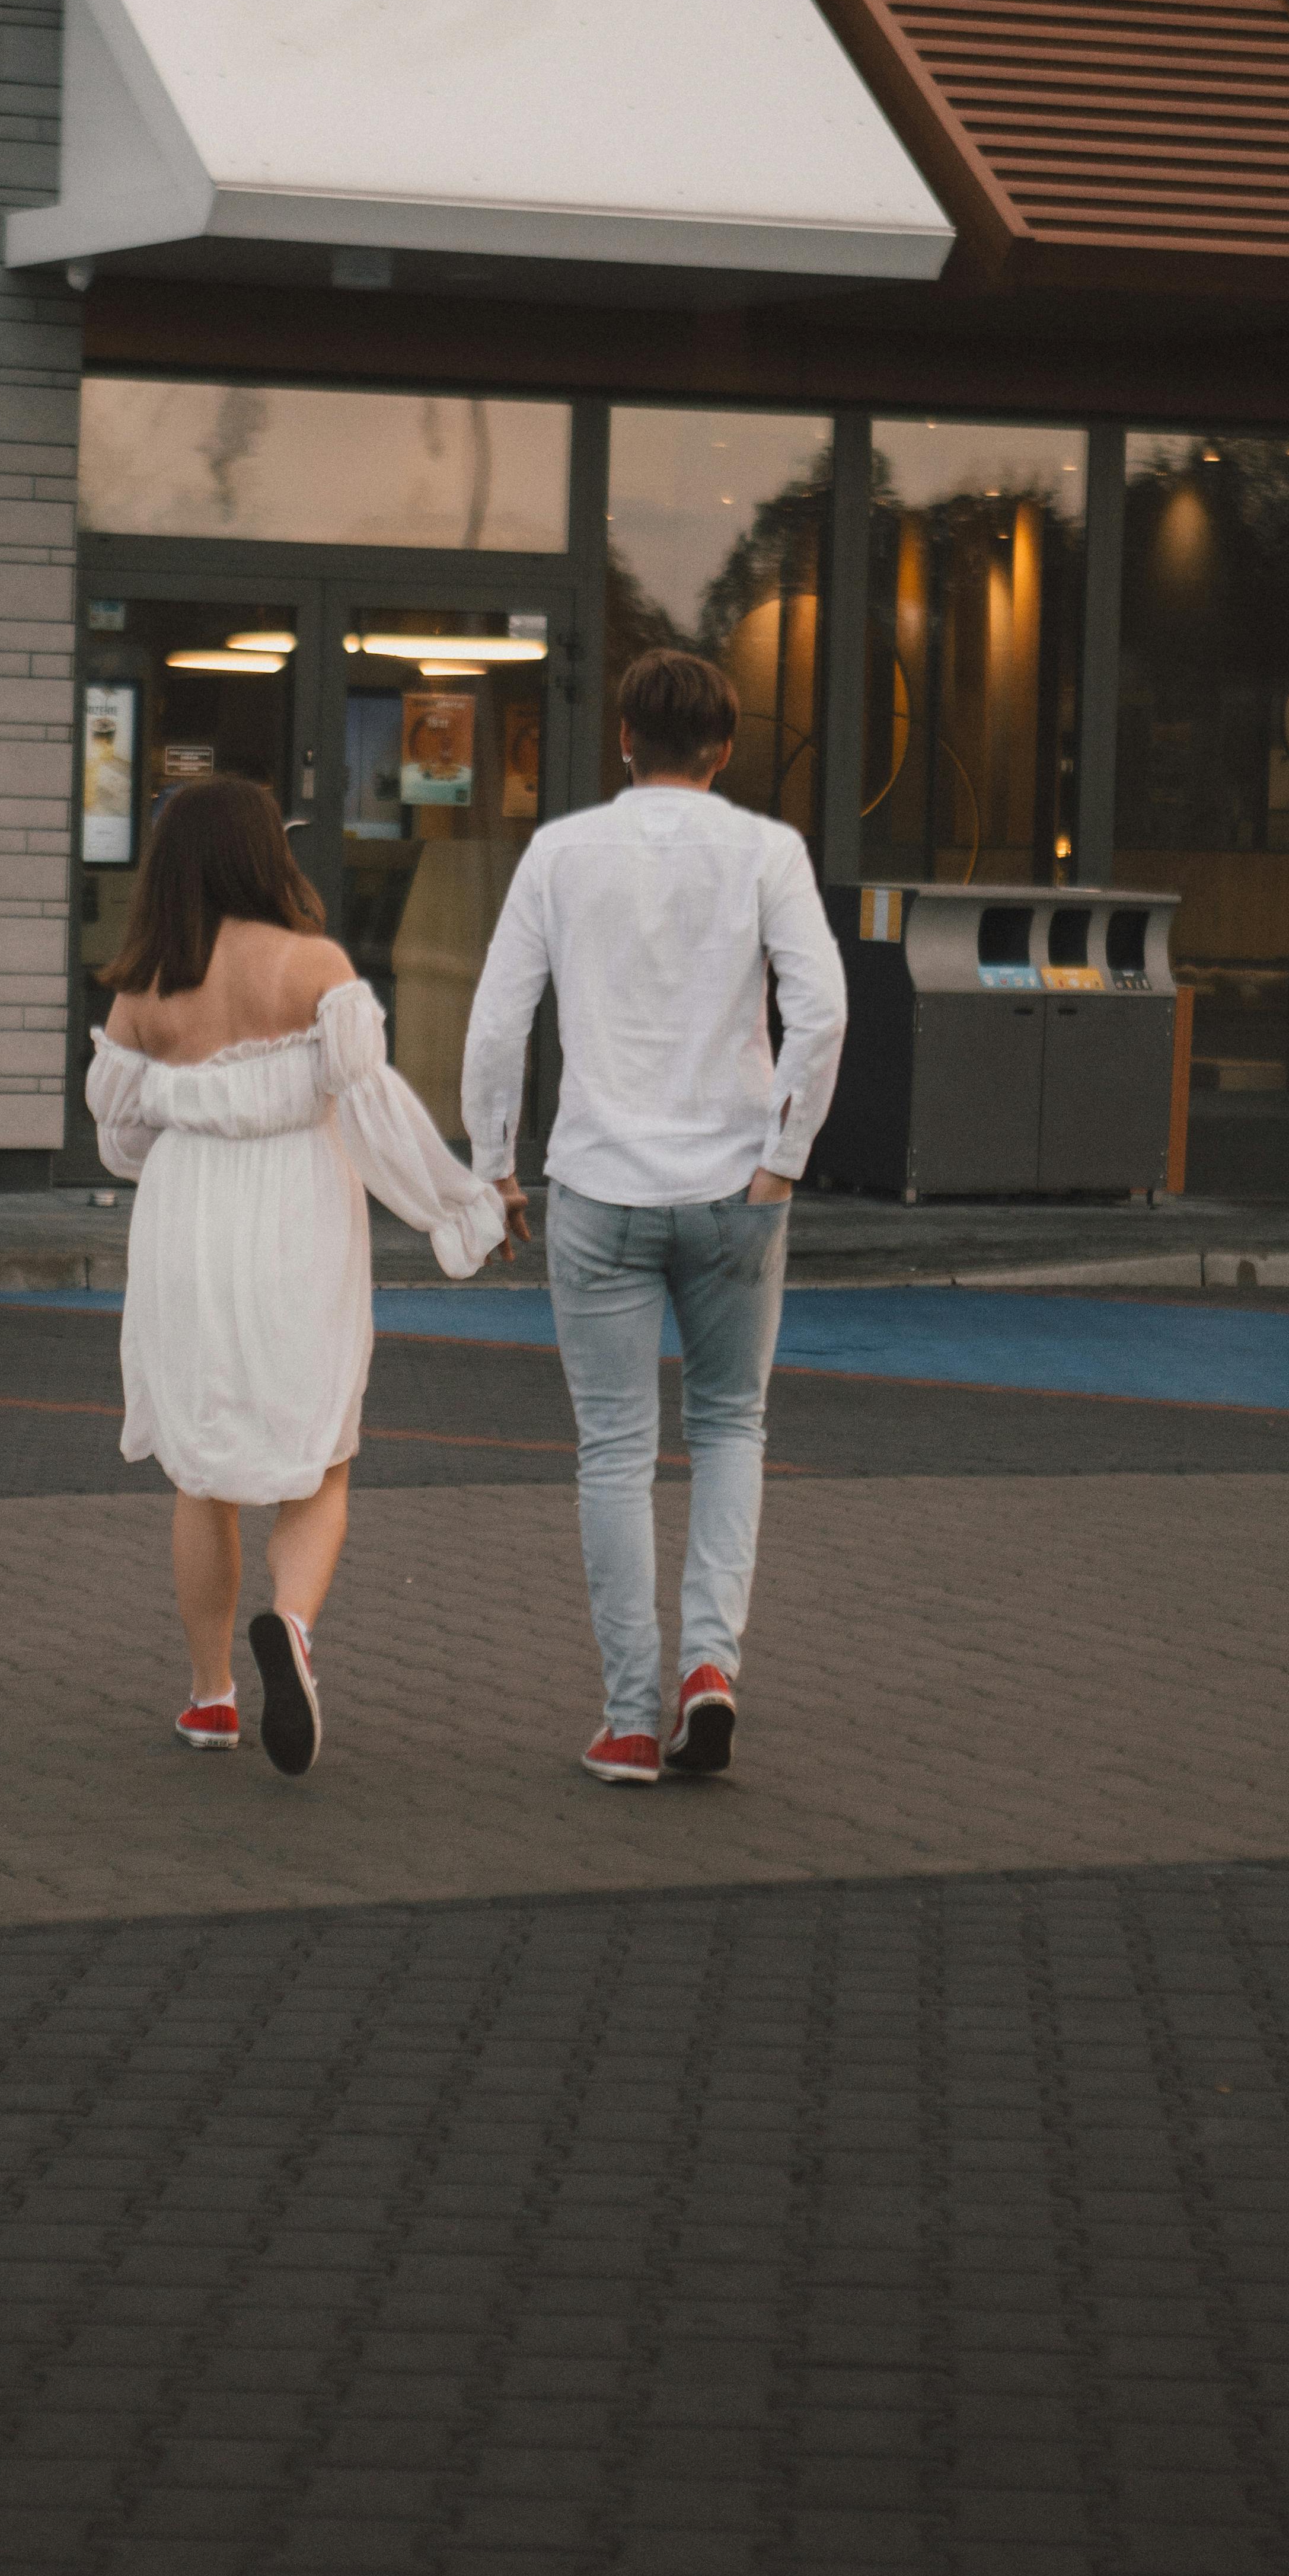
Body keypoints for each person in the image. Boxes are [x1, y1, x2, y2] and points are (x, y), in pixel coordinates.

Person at [460, 648, 847, 1786]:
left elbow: (498, 1021)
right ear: (724, 750)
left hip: (598, 1189)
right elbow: (823, 1013)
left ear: (623, 740)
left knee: (615, 1452)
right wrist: (782, 1159)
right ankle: (710, 1666)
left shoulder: (559, 852)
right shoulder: (769, 851)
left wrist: (496, 1166)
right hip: (735, 1190)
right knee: (730, 1428)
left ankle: (630, 1718)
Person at [88, 775, 509, 1777]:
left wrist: (194, 1133)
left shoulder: (144, 988)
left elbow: (120, 1138)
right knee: (321, 1451)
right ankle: (293, 1627)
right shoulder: (314, 965)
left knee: (203, 1472)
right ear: (262, 854)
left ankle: (211, 1698)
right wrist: (463, 1208)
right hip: (298, 1214)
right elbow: (377, 1114)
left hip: (187, 1217)